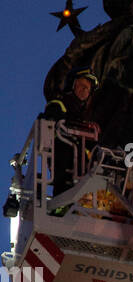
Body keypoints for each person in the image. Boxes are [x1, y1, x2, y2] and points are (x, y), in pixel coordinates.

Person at [42, 69, 100, 199]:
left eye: (88, 88)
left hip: (80, 159)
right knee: (65, 183)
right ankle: (61, 204)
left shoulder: (85, 115)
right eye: (81, 86)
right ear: (72, 85)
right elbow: (53, 122)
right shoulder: (59, 103)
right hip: (62, 152)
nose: (84, 90)